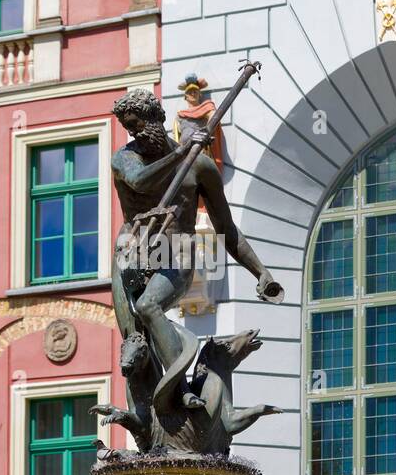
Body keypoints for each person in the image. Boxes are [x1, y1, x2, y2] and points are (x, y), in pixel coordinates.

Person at [110, 89, 282, 399]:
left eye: (136, 124)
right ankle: (147, 425)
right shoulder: (125, 158)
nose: (133, 132)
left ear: (156, 119)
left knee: (149, 306)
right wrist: (180, 154)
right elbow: (140, 182)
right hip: (130, 253)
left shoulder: (200, 167)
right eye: (128, 127)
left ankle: (180, 391)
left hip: (175, 252)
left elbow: (226, 228)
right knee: (134, 345)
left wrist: (260, 272)